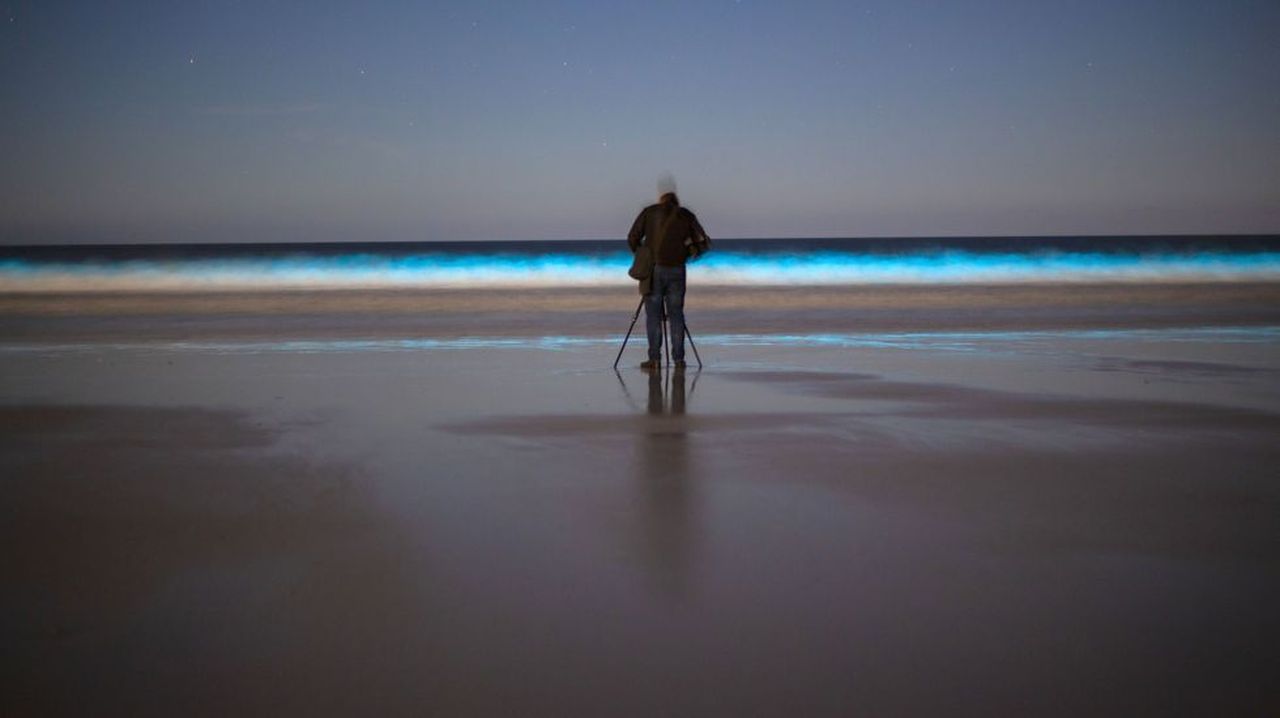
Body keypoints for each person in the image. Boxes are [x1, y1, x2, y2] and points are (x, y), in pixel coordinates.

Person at [627, 175, 711, 369]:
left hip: (654, 271)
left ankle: (654, 359)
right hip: (677, 271)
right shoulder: (686, 215)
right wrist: (685, 253)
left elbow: (632, 238)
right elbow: (703, 244)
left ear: (661, 196)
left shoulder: (649, 213)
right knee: (676, 315)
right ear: (675, 197)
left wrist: (643, 255)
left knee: (653, 315)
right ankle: (679, 360)